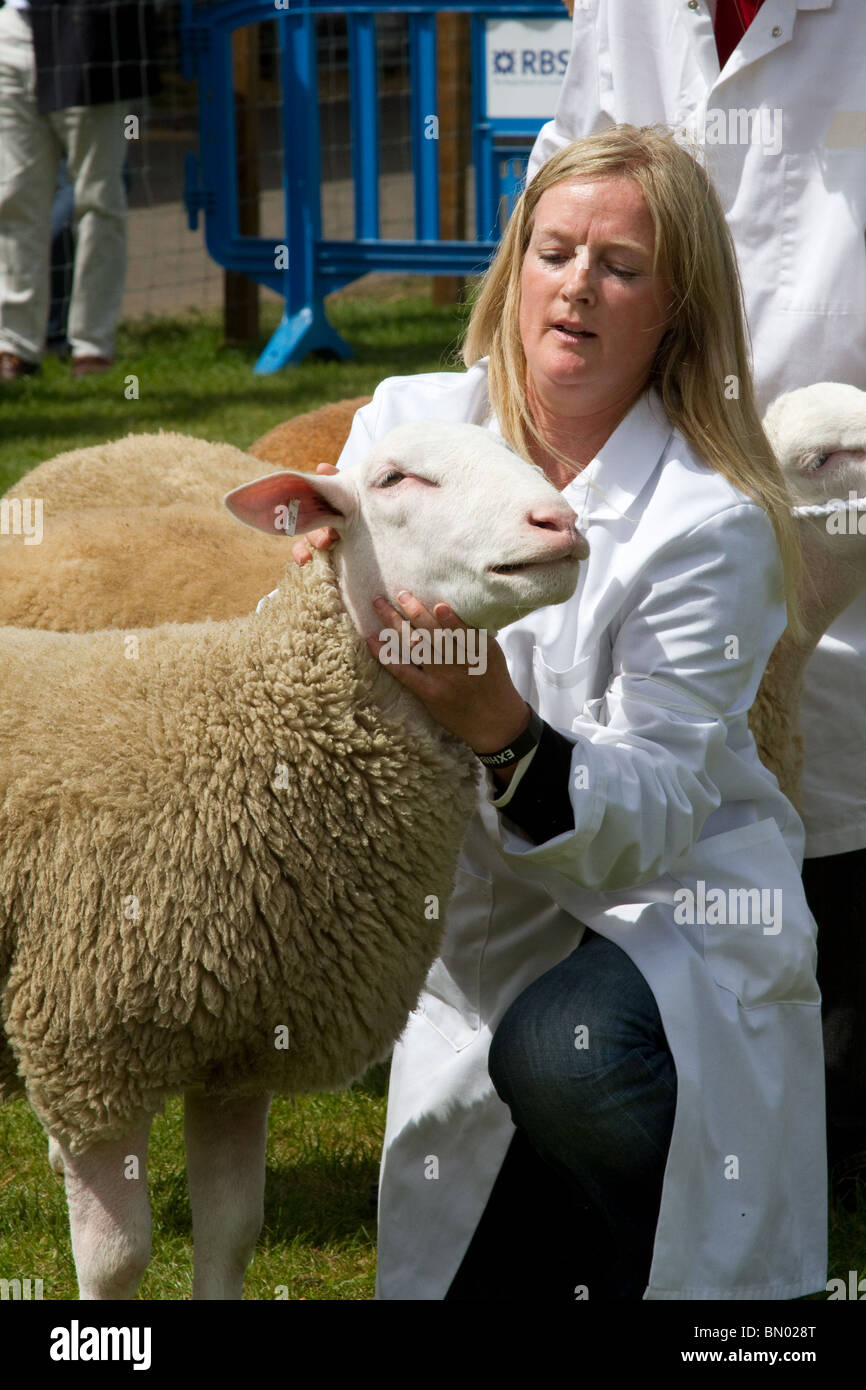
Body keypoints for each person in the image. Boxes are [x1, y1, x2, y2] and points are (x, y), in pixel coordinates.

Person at [289, 125, 826, 1300]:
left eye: (620, 267)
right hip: (476, 910)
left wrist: (498, 723)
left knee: (562, 1056)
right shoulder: (408, 422)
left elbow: (658, 805)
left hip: (663, 903)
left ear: (673, 308)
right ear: (514, 267)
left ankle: (631, 1236)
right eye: (554, 250)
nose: (577, 284)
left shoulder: (707, 520)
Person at [526, 0, 866, 1204]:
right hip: (635, 513)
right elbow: (562, 188)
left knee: (808, 834)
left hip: (836, 528)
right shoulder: (625, 7)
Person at [0, 0, 160, 382]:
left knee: (98, 200)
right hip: (15, 32)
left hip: (92, 35)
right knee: (14, 197)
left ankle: (92, 350)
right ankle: (14, 347)